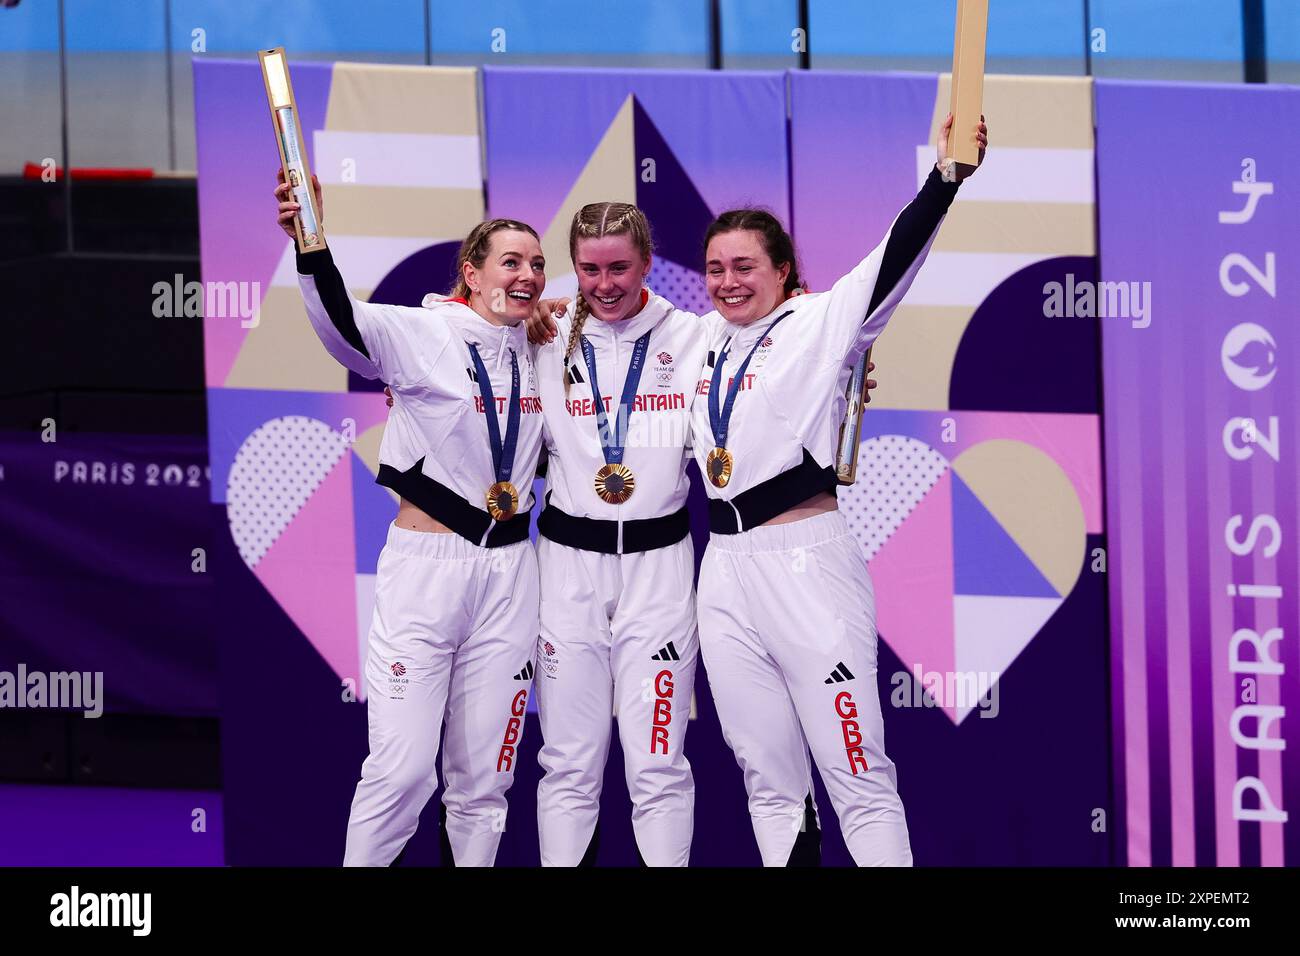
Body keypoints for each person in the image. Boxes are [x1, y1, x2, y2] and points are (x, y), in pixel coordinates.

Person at [691, 113, 987, 866]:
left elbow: (895, 259)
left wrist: (947, 177)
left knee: (857, 775)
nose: (728, 282)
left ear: (784, 271)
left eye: (745, 266)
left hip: (806, 564)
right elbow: (595, 326)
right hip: (722, 570)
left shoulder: (822, 323)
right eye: (716, 268)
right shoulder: (695, 341)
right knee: (766, 778)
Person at [275, 170, 547, 867]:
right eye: (510, 261)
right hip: (427, 573)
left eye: (538, 264)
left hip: (514, 574)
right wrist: (312, 242)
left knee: (486, 781)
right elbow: (342, 325)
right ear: (471, 273)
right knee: (400, 773)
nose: (527, 274)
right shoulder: (421, 332)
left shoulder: (546, 349)